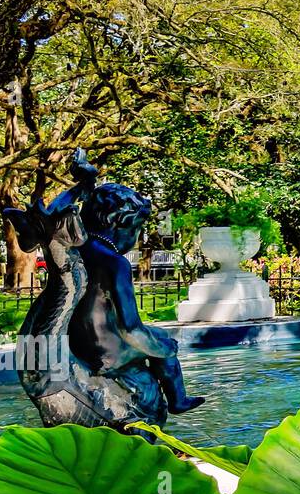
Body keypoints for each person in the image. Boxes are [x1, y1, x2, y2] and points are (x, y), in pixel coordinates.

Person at [59, 151, 204, 417]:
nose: (136, 238)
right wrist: (165, 350)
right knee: (162, 340)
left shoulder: (76, 249)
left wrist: (84, 185)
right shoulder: (115, 262)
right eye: (136, 229)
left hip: (78, 346)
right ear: (118, 224)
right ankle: (178, 400)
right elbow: (130, 329)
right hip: (107, 353)